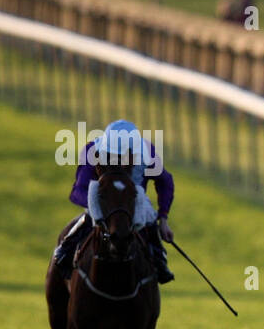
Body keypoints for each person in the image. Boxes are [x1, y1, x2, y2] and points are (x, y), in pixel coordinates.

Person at [52, 119, 175, 284]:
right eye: (112, 156)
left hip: (133, 198)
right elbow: (79, 190)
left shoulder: (148, 152)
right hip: (103, 197)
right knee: (92, 213)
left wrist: (164, 219)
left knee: (147, 214)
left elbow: (165, 182)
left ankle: (160, 260)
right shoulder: (92, 150)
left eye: (123, 157)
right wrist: (103, 206)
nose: (118, 161)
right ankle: (65, 250)